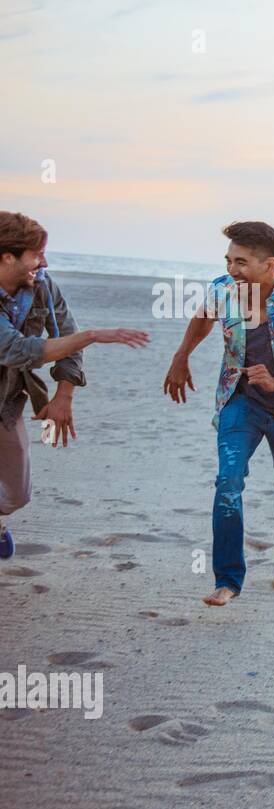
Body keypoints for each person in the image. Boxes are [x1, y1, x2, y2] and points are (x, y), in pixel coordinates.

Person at [162, 222, 274, 605]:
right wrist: (181, 356)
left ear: (269, 264)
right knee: (227, 484)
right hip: (239, 402)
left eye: (241, 262)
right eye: (228, 260)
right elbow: (203, 317)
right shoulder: (223, 290)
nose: (232, 269)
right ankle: (228, 580)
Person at [0, 211, 149, 559]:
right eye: (36, 254)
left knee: (18, 494)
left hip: (8, 401)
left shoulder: (43, 287)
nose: (44, 261)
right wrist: (94, 335)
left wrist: (64, 395)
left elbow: (65, 336)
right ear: (8, 256)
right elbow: (17, 349)